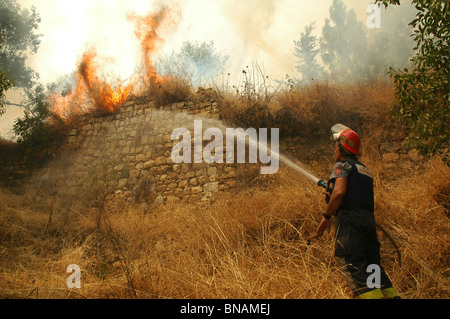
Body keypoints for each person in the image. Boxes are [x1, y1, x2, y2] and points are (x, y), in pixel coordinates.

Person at [316, 124, 400, 299]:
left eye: (336, 145)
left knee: (356, 271)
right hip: (367, 223)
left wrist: (326, 217)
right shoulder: (365, 170)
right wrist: (331, 195)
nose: (334, 149)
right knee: (374, 271)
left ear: (341, 147)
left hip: (350, 227)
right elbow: (355, 196)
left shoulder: (342, 165)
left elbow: (339, 193)